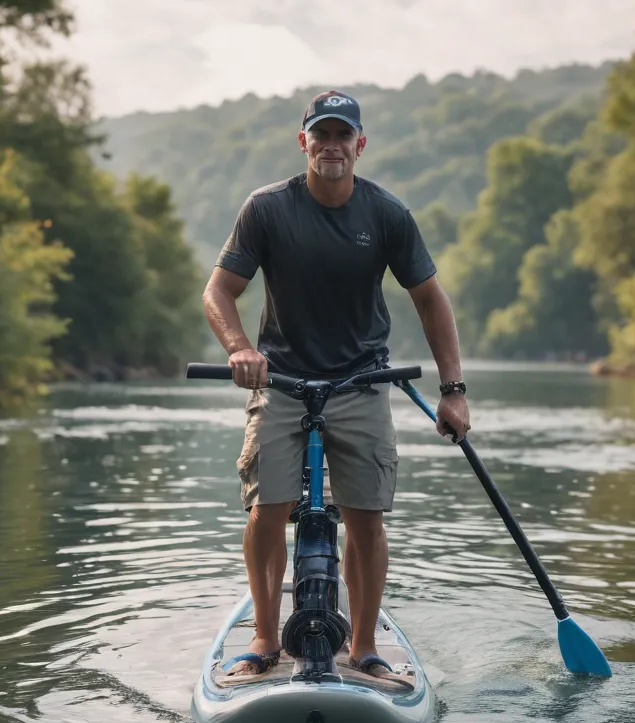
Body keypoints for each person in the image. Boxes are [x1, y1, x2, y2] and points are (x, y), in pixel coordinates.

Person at [202, 89, 471, 680]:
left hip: (362, 379)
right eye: (320, 135)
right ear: (304, 142)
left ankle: (365, 648)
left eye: (341, 136)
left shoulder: (387, 214)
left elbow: (429, 299)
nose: (331, 146)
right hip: (283, 380)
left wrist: (453, 390)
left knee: (366, 517)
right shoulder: (267, 209)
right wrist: (240, 349)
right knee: (267, 509)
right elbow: (218, 291)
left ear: (359, 145)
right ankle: (266, 639)